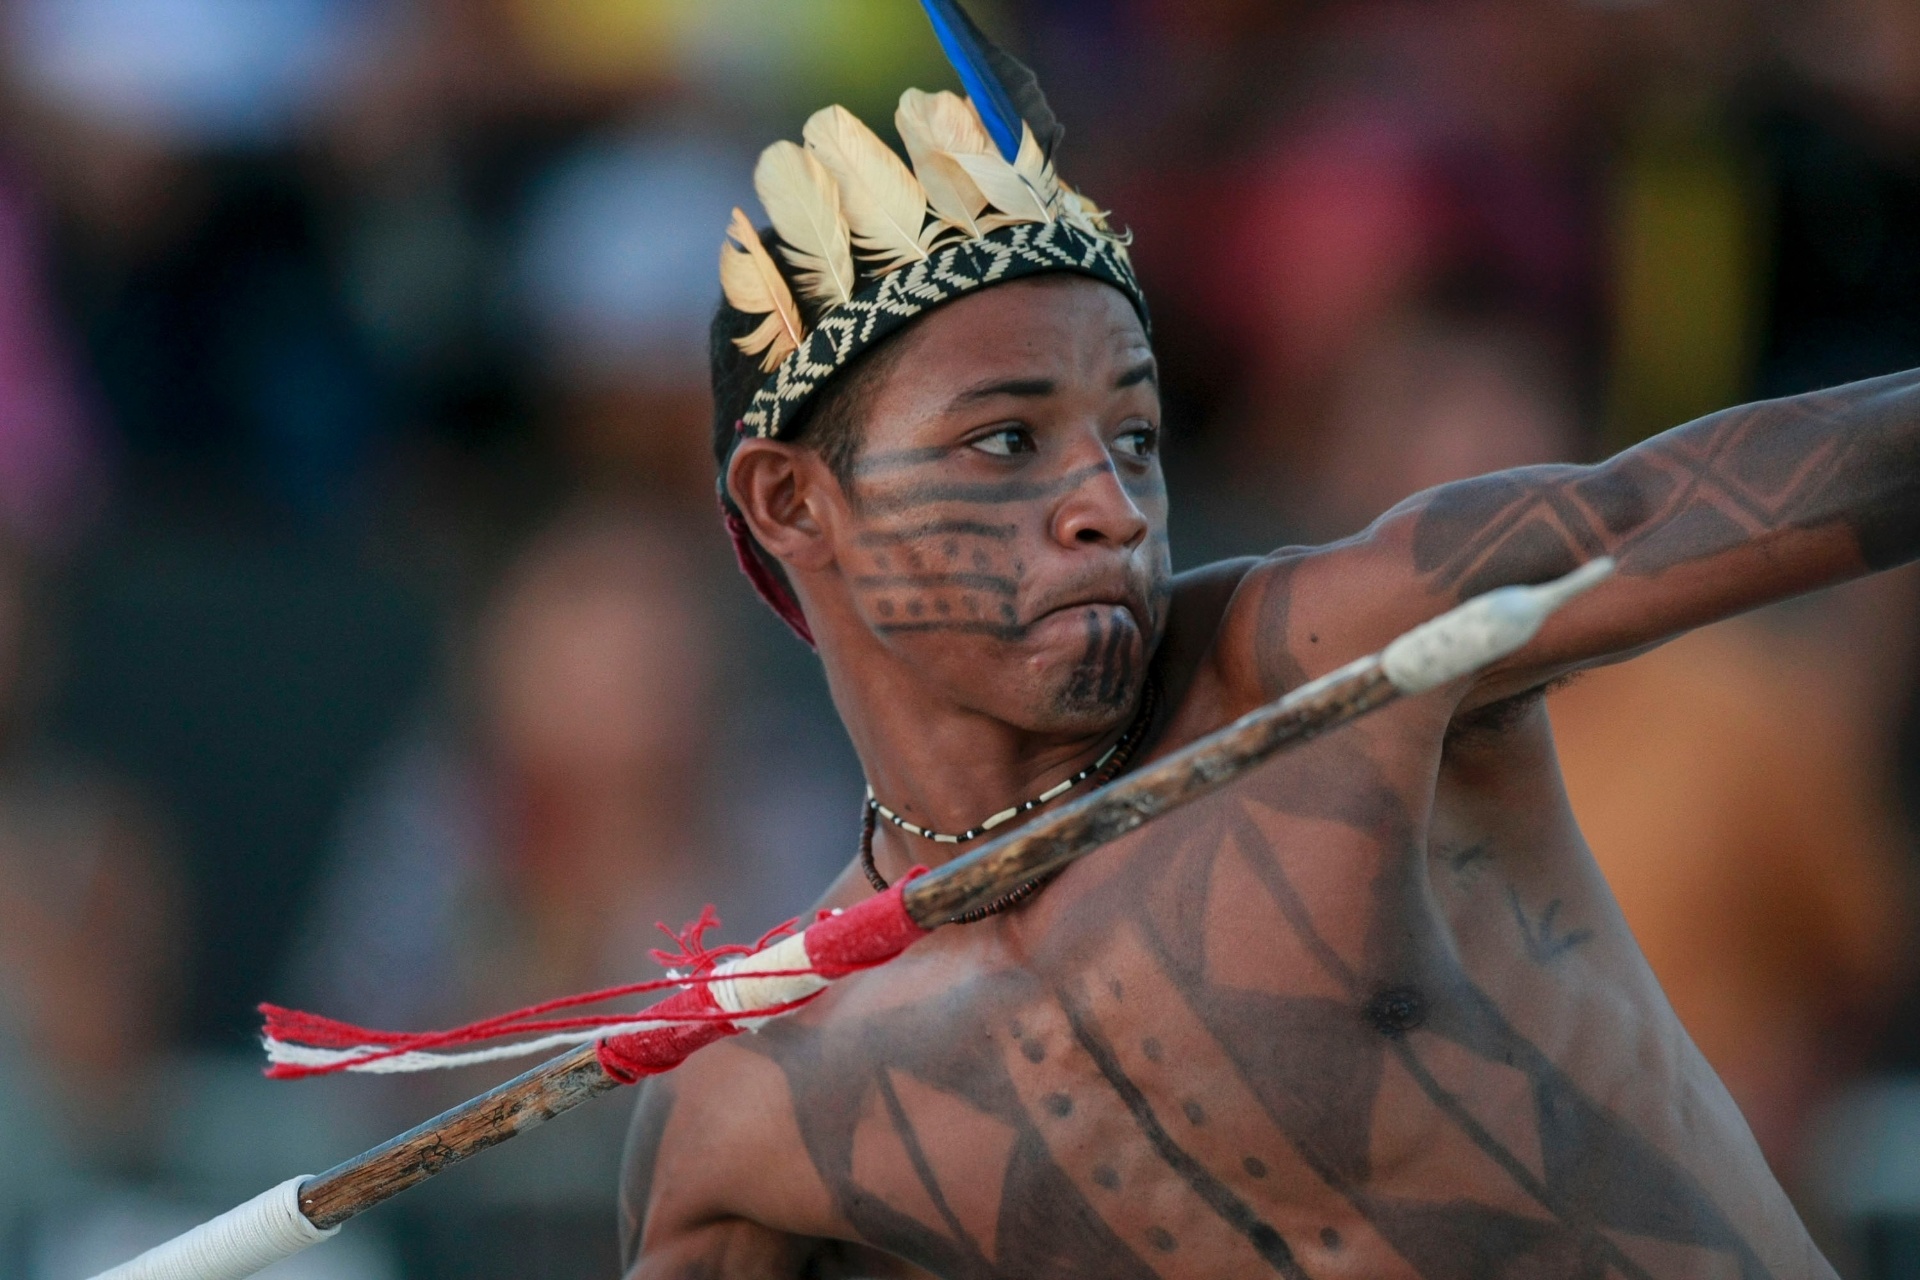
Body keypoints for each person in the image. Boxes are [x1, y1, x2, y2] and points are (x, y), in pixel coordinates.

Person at [618, 16, 1915, 1276]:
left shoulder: (1334, 661)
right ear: (793, 502)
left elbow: (1678, 503)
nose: (1112, 508)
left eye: (1134, 439)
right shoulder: (755, 1106)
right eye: (1007, 441)